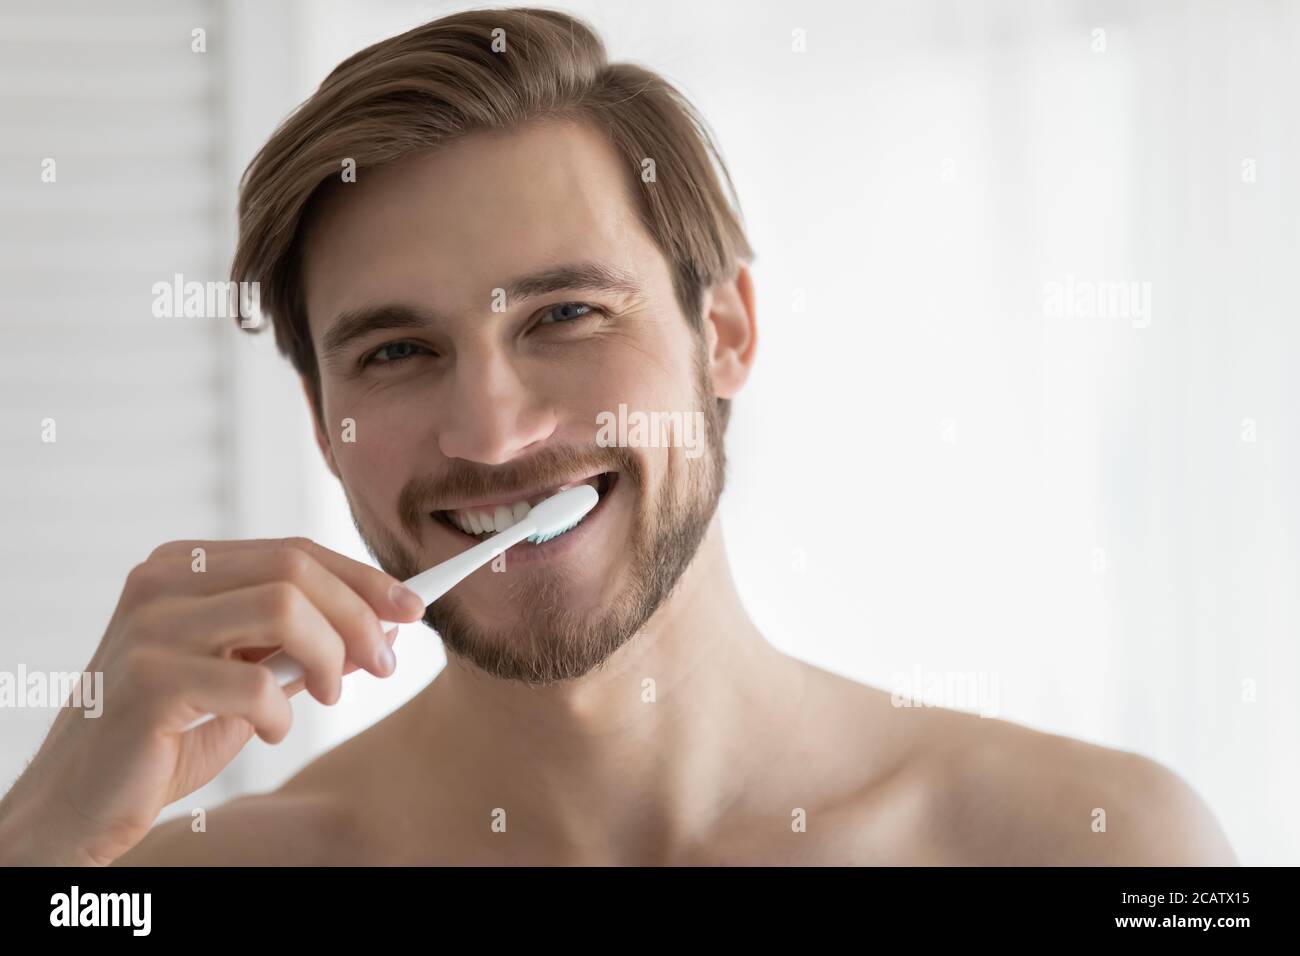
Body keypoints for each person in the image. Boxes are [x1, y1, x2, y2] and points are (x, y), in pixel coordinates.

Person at [0, 8, 1236, 866]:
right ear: (324, 420)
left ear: (728, 331)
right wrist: (36, 841)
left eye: (567, 314)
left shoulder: (1106, 843)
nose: (489, 431)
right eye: (395, 350)